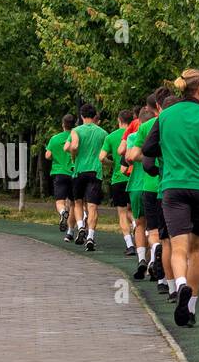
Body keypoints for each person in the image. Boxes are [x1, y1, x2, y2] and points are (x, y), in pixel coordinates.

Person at [141, 70, 199, 327]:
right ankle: (189, 308)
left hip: (173, 187)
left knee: (178, 247)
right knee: (195, 248)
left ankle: (180, 285)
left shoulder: (166, 116)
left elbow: (147, 149)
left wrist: (168, 150)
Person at [123, 92, 166, 289]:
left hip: (146, 184)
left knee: (146, 226)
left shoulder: (142, 129)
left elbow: (130, 156)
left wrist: (149, 158)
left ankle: (147, 256)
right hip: (171, 184)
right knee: (174, 235)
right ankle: (167, 277)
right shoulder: (179, 123)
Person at [66, 103, 108, 252]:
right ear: (94, 115)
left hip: (79, 171)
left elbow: (74, 146)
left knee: (77, 202)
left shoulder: (76, 130)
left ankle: (81, 226)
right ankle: (90, 236)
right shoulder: (103, 133)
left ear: (82, 116)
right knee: (92, 207)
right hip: (95, 172)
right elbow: (105, 154)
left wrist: (73, 156)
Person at [101, 109, 136, 255]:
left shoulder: (110, 137)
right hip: (133, 178)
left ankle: (129, 244)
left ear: (119, 120)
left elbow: (101, 157)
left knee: (122, 213)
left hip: (118, 179)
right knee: (133, 210)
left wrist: (111, 163)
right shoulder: (136, 133)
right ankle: (136, 224)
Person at [45, 114, 77, 239]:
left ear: (63, 124)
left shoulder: (55, 139)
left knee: (60, 201)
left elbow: (47, 155)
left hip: (59, 173)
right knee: (74, 203)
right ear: (74, 124)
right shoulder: (76, 137)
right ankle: (70, 231)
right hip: (73, 172)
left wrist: (55, 156)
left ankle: (63, 213)